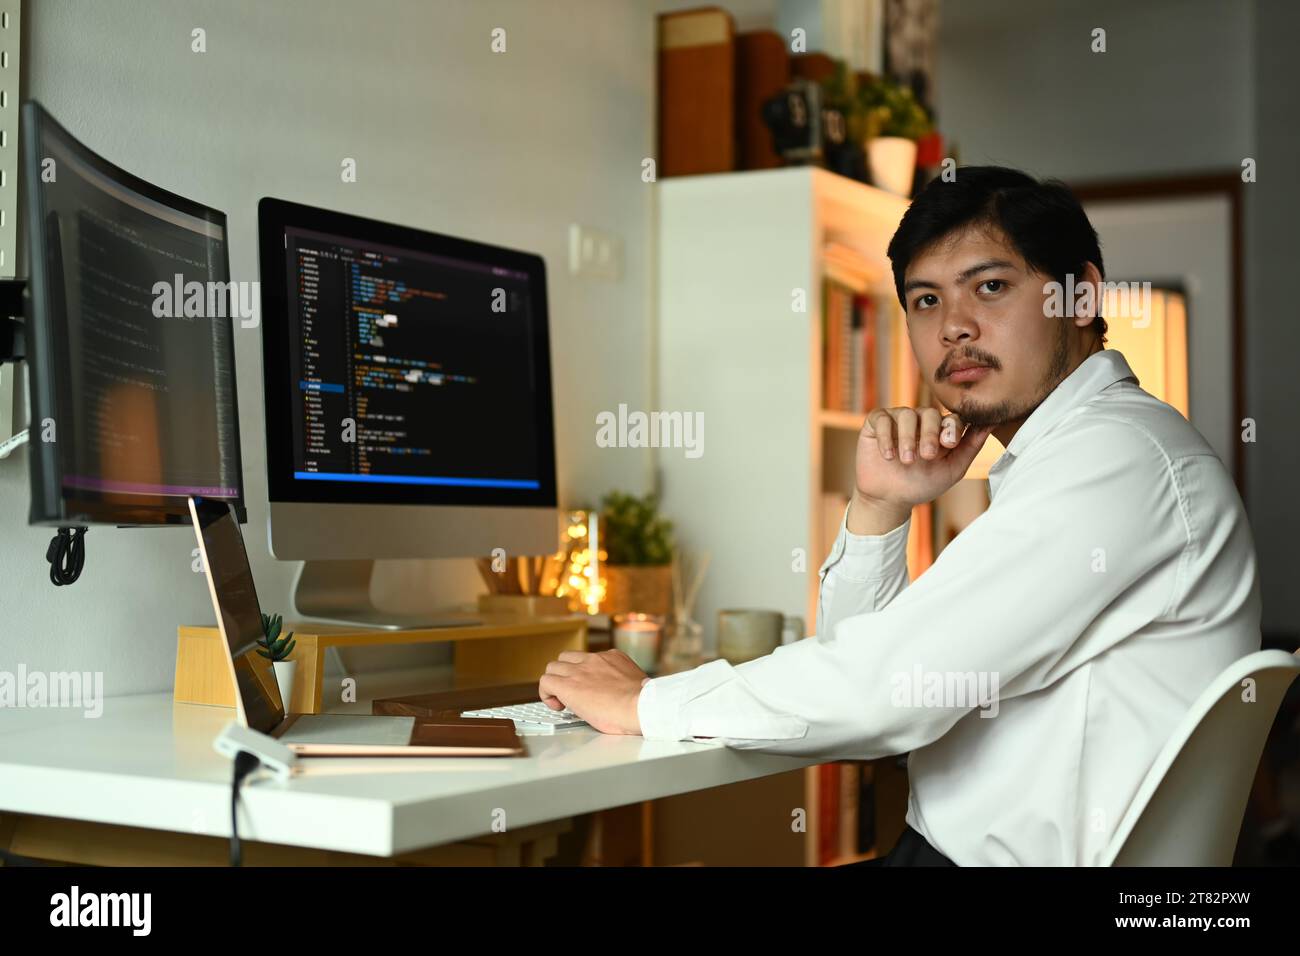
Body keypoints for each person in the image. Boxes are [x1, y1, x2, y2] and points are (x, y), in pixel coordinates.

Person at [537, 167, 1261, 866]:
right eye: (925, 301)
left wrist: (647, 705)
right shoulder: (1069, 456)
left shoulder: (1116, 460)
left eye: (991, 287)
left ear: (1079, 296)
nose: (953, 327)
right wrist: (880, 507)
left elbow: (881, 694)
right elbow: (874, 680)